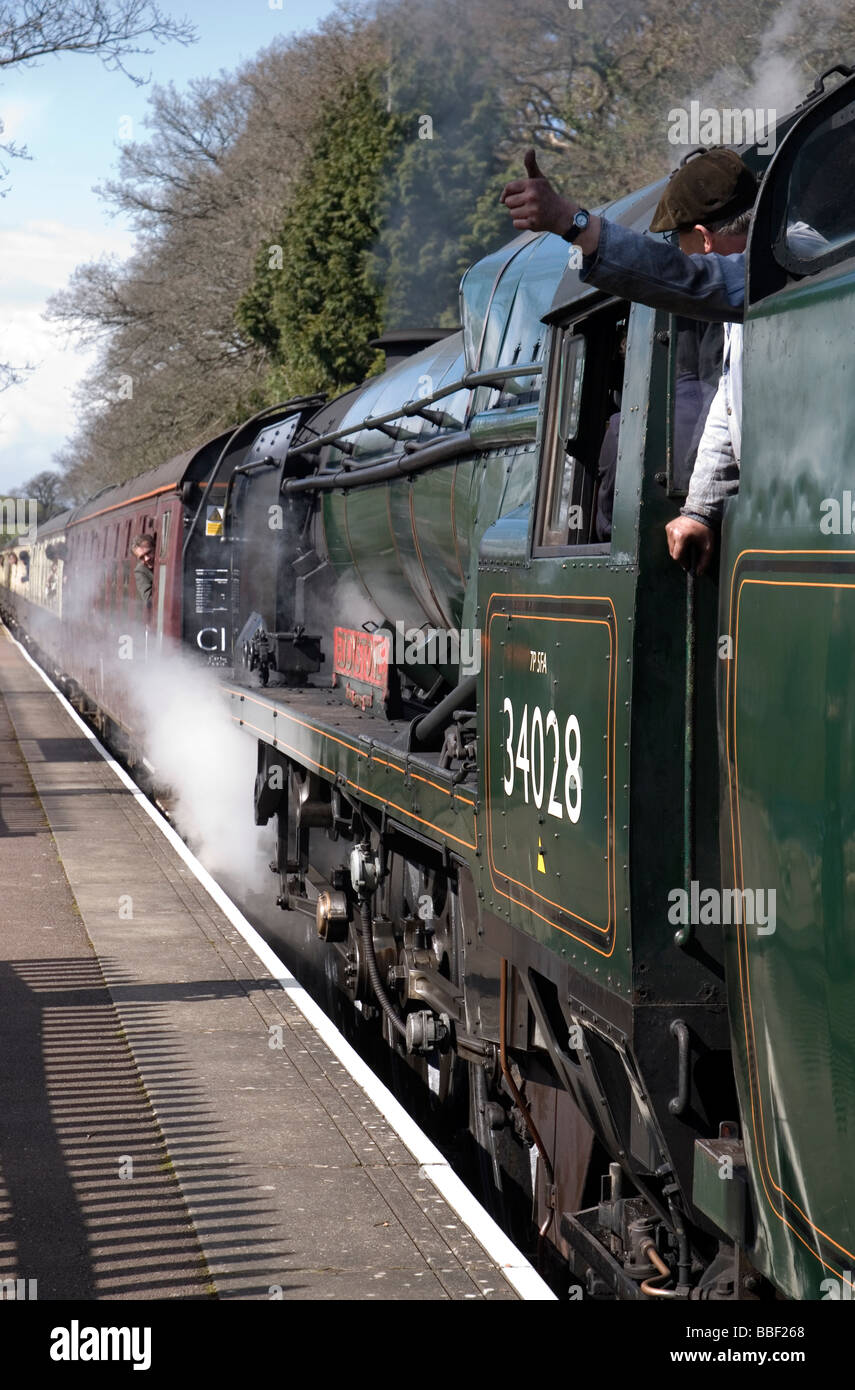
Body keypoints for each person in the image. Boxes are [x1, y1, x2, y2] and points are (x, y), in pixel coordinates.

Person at [502, 148, 756, 564]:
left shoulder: (777, 271)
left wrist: (572, 222)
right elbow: (728, 408)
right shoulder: (752, 300)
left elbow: (683, 277)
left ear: (705, 239)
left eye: (686, 247)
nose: (688, 257)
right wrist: (700, 510)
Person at [131, 534, 155, 608]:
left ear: (155, 548)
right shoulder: (140, 571)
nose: (147, 558)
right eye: (142, 557)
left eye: (148, 553)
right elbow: (149, 599)